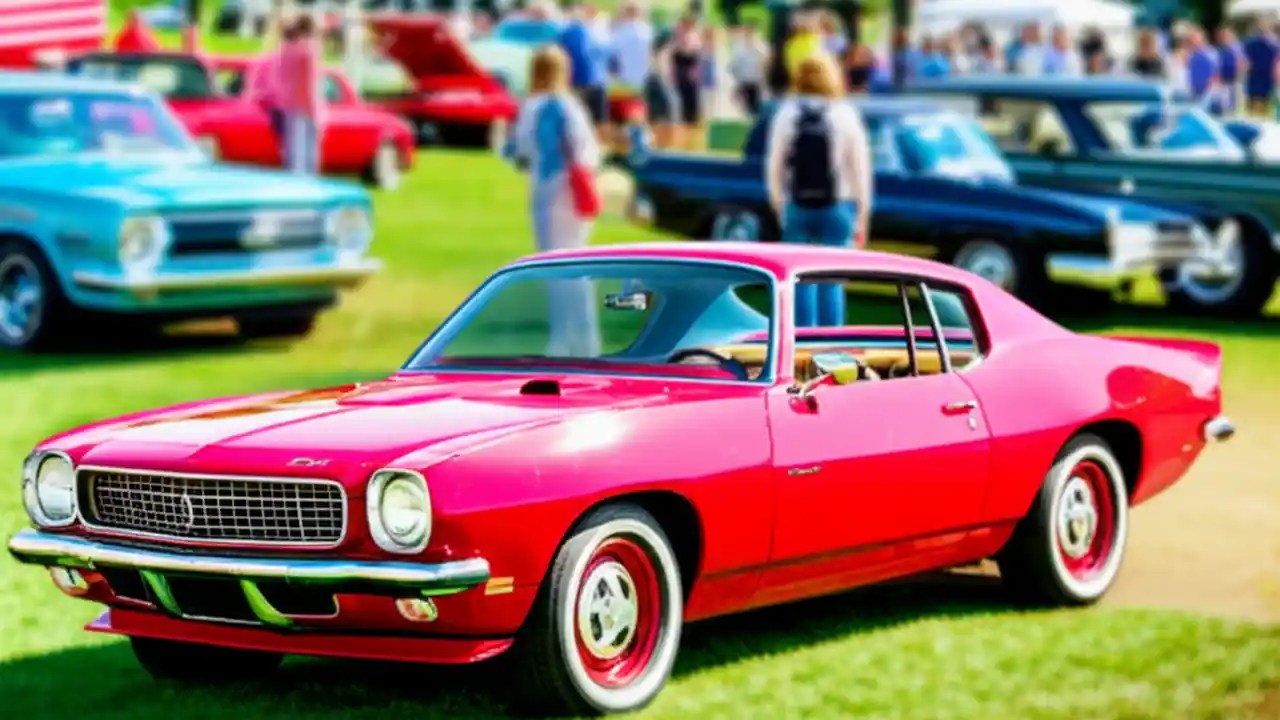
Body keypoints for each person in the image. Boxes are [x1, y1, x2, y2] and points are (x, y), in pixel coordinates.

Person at [508, 45, 603, 357]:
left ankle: (562, 338)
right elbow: (586, 151)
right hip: (573, 192)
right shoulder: (569, 106)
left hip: (545, 190)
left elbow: (520, 151)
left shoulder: (533, 107)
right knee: (577, 266)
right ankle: (586, 340)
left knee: (553, 266)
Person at [765, 54, 872, 328]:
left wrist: (779, 203)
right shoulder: (844, 113)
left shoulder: (787, 113)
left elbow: (775, 163)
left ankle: (802, 342)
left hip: (798, 204)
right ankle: (833, 344)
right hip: (838, 205)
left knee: (799, 278)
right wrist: (863, 212)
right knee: (832, 280)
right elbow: (859, 168)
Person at [277, 14, 324, 175]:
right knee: (307, 155)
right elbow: (308, 84)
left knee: (292, 152)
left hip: (288, 105)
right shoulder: (309, 50)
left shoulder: (286, 49)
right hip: (305, 107)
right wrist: (315, 114)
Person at [559, 3, 610, 141]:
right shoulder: (595, 31)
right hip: (593, 82)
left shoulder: (567, 31)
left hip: (577, 82)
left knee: (579, 121)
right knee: (595, 120)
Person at [670, 15, 704, 149]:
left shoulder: (693, 39)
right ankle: (683, 138)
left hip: (690, 79)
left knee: (692, 108)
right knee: (681, 108)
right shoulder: (676, 40)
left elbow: (692, 54)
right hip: (680, 78)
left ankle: (694, 138)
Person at [729, 22, 769, 115]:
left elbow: (765, 60)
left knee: (756, 106)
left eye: (750, 30)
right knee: (745, 108)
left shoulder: (759, 45)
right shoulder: (739, 47)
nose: (748, 33)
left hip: (755, 81)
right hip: (744, 82)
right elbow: (735, 65)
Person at [1242, 18, 1280, 117]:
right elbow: (1246, 63)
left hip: (1261, 81)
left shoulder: (1251, 43)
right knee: (1262, 109)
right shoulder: (1275, 45)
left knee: (1259, 110)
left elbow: (1246, 63)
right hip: (1262, 81)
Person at [1216, 27, 1247, 117]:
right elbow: (1219, 64)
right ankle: (1227, 115)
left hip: (1235, 78)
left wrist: (1240, 74)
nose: (1224, 38)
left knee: (1236, 102)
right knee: (1225, 102)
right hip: (1224, 79)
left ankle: (1235, 117)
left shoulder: (1237, 47)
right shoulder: (1221, 49)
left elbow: (1242, 61)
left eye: (1226, 36)